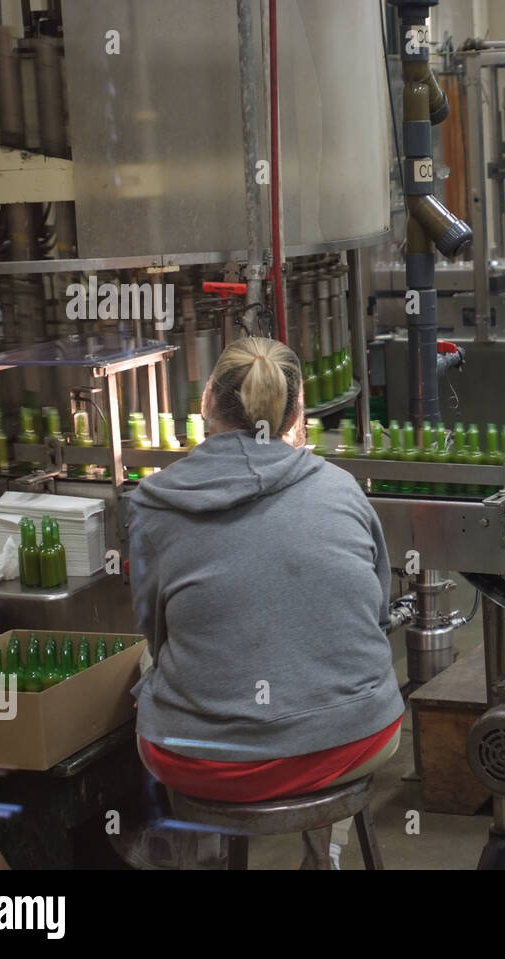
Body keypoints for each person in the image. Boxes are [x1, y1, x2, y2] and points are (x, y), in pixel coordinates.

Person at [126, 336, 402, 867]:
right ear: (296, 414)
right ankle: (327, 850)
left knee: (145, 664)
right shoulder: (342, 489)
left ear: (206, 403)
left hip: (204, 762)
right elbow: (377, 612)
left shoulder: (153, 505)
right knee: (321, 648)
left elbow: (154, 634)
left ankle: (202, 853)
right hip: (351, 740)